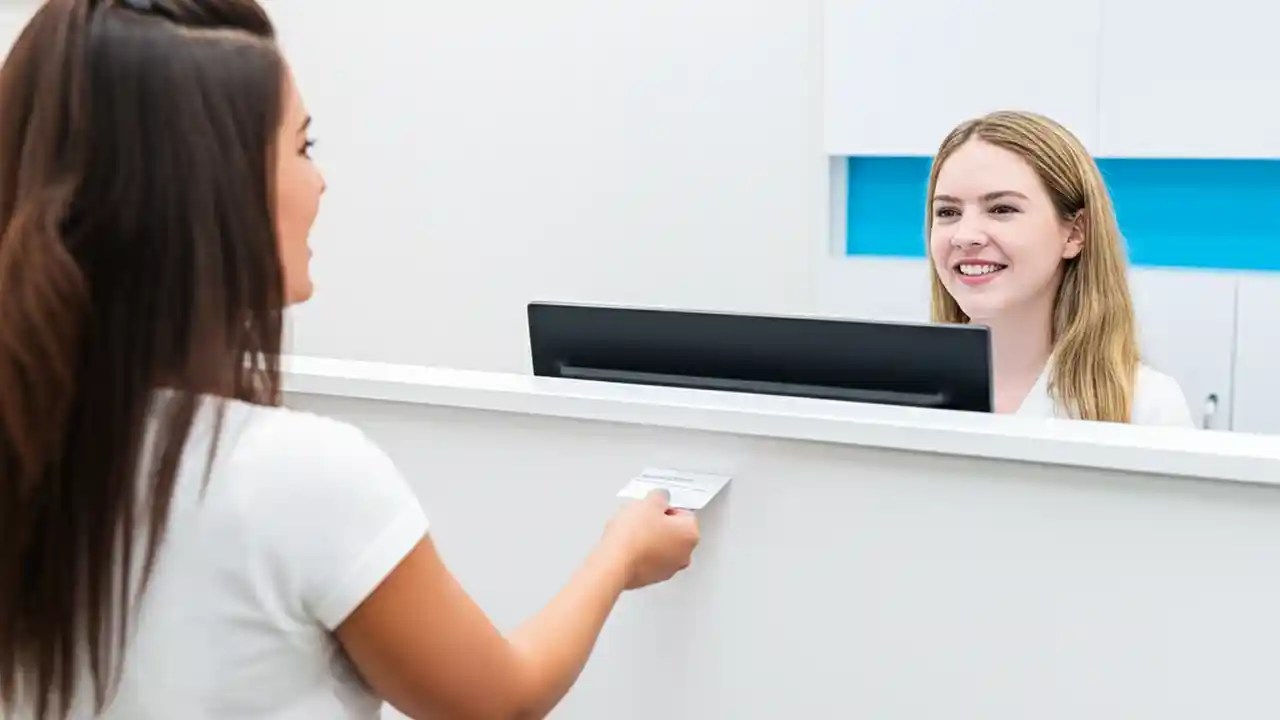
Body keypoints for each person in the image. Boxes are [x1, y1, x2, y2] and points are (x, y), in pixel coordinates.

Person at [0, 1, 700, 718]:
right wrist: (620, 557)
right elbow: (501, 703)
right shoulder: (293, 478)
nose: (322, 181)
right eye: (303, 148)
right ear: (212, 194)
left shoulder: (33, 447)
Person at [926, 110, 1194, 426]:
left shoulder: (1148, 406)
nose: (965, 235)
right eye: (948, 212)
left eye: (1002, 209)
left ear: (1075, 232)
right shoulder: (901, 392)